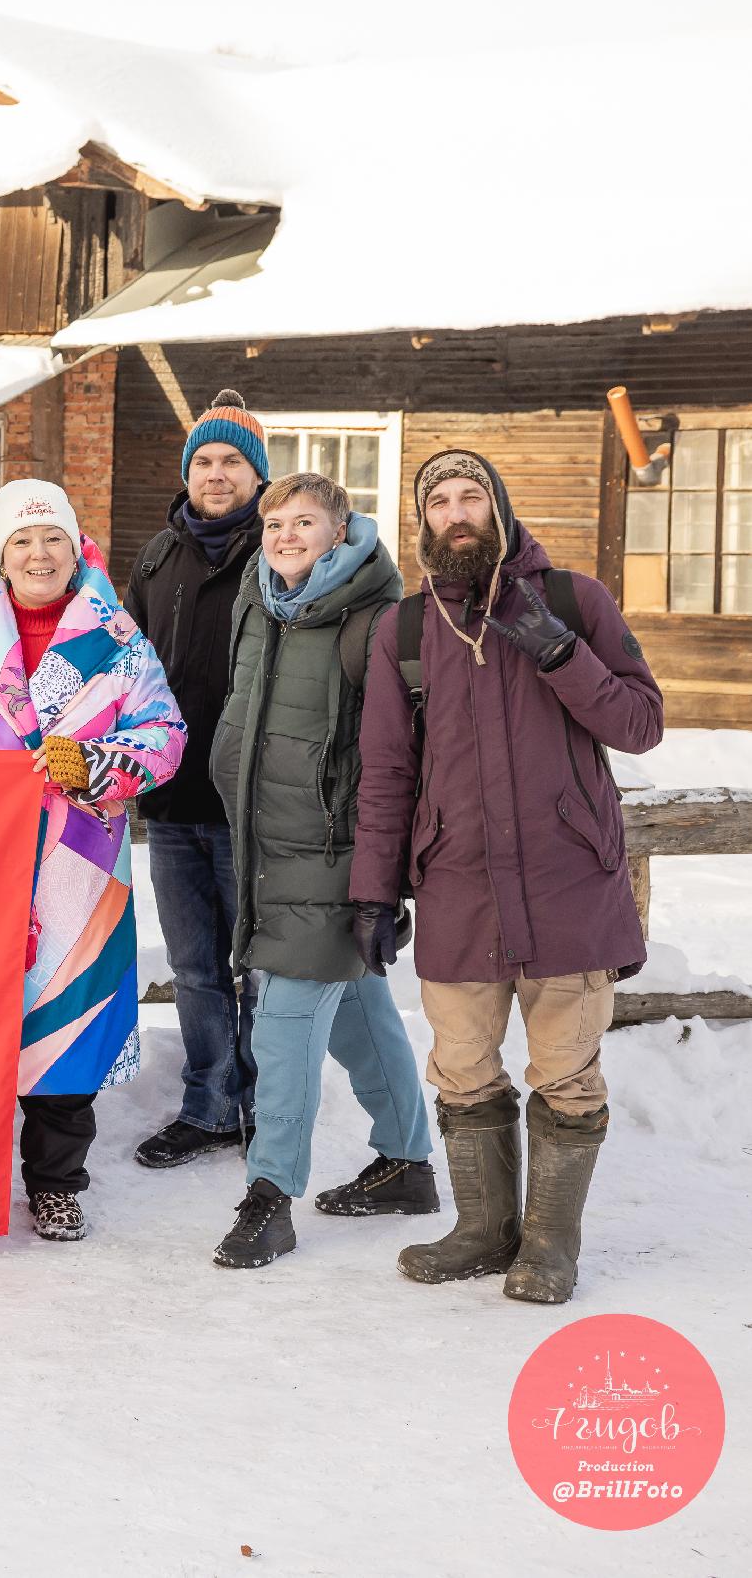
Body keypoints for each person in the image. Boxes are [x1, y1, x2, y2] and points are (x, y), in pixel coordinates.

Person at [353, 449, 662, 1305]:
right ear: (423, 520)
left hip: (568, 881)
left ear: (500, 508)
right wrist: (375, 890)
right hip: (458, 886)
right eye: (440, 500)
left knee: (566, 1069)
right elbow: (385, 772)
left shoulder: (573, 601)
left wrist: (560, 652)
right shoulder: (406, 631)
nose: (457, 513)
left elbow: (640, 725)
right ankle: (484, 1231)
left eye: (472, 497)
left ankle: (549, 1246)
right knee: (461, 1067)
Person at [0, 479, 185, 1242]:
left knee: (64, 1017)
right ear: (2, 554)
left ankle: (55, 1182)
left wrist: (95, 762)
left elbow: (166, 738)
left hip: (77, 864)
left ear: (77, 548)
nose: (38, 553)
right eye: (22, 540)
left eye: (52, 538)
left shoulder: (121, 645)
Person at [206, 472, 435, 1269]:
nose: (287, 536)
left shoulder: (374, 621)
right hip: (267, 848)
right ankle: (407, 1162)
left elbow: (393, 763)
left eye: (305, 523)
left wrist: (382, 881)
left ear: (340, 533)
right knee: (360, 1011)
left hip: (336, 856)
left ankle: (270, 1197)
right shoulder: (259, 604)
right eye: (275, 524)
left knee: (286, 1025)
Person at [120, 390, 270, 1170]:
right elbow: (125, 670)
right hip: (174, 800)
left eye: (232, 462)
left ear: (257, 475)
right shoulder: (155, 558)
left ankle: (268, 1106)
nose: (216, 474)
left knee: (260, 964)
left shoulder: (281, 551)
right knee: (194, 967)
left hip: (255, 802)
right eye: (205, 461)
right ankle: (210, 1105)